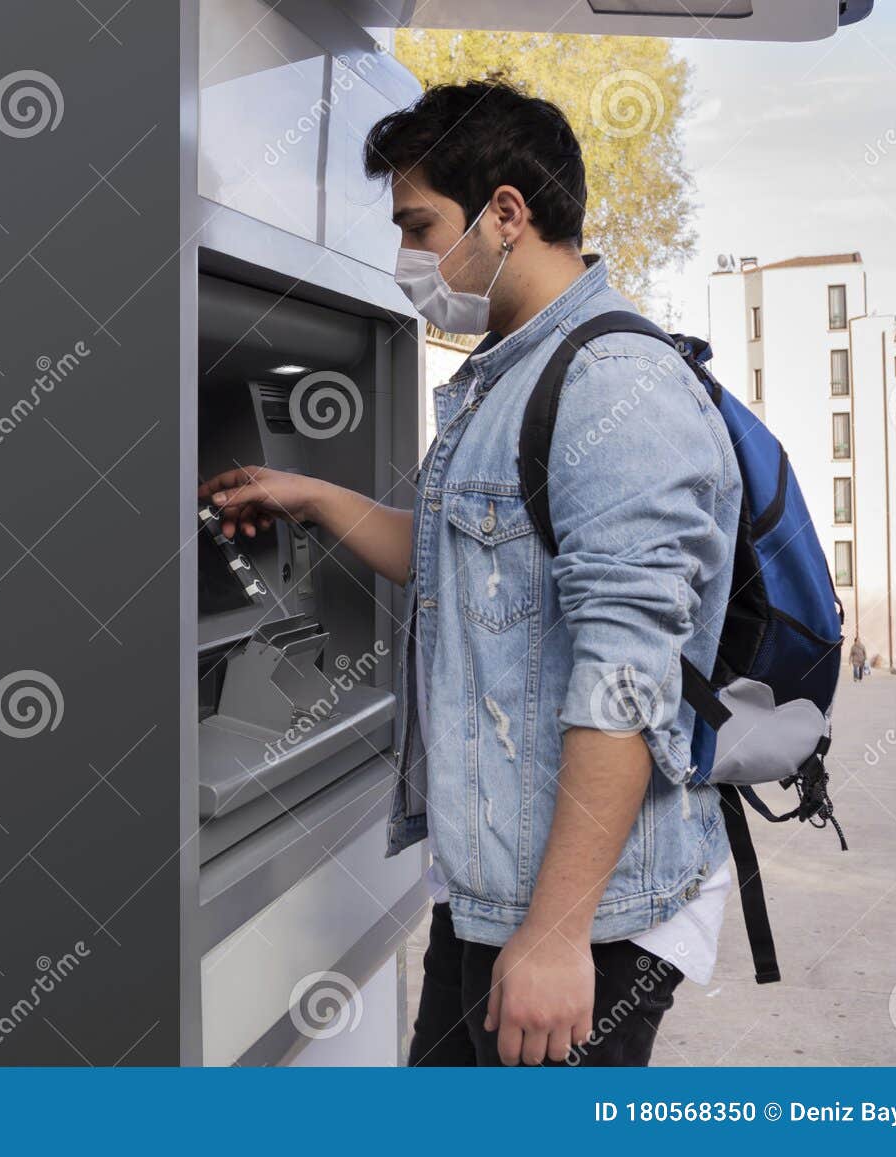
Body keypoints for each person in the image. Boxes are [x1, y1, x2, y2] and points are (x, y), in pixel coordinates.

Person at [199, 81, 739, 1067]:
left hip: (583, 918)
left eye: (418, 225)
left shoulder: (611, 383)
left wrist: (557, 933)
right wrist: (310, 494)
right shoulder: (515, 373)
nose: (407, 257)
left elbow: (628, 678)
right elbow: (466, 558)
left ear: (504, 213)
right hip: (499, 890)